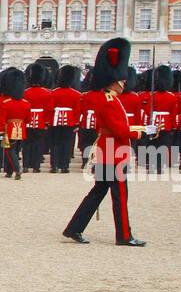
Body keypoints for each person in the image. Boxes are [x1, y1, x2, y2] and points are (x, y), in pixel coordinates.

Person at [63, 38, 153, 247]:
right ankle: (124, 235)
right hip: (113, 152)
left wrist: (141, 129)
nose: (124, 83)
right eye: (121, 80)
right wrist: (142, 133)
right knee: (120, 196)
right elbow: (121, 130)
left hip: (107, 149)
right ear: (113, 80)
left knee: (98, 192)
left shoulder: (108, 99)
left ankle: (74, 228)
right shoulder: (110, 101)